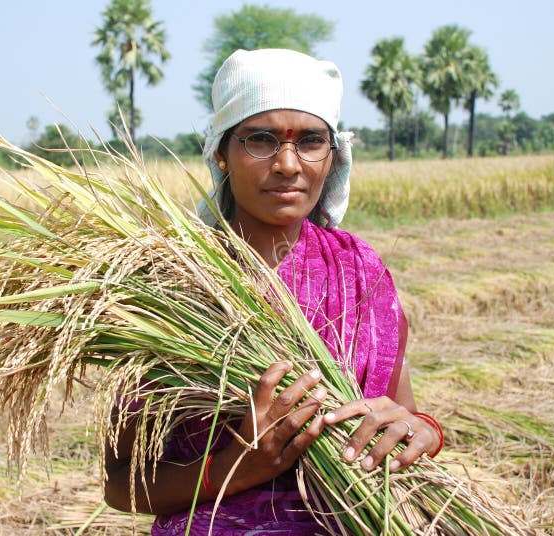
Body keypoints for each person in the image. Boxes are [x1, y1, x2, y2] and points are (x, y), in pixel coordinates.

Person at [103, 48, 444, 534]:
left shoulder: (360, 275)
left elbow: (402, 417)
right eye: (260, 140)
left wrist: (424, 430)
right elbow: (121, 484)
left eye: (310, 141)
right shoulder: (172, 286)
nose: (287, 164)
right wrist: (238, 465)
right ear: (222, 152)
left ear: (334, 155)